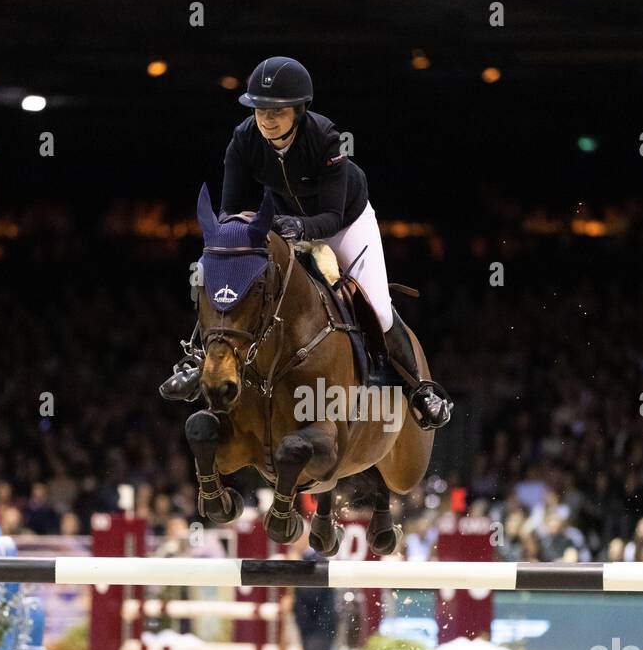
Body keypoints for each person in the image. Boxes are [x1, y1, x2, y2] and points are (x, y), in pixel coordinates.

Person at [161, 55, 451, 430]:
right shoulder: (244, 139)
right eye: (259, 108)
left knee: (377, 306)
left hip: (345, 222)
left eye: (277, 110)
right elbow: (230, 210)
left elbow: (329, 216)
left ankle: (420, 390)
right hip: (284, 223)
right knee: (219, 273)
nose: (266, 118)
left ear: (299, 109)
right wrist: (238, 239)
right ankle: (195, 359)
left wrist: (297, 226)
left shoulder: (325, 139)